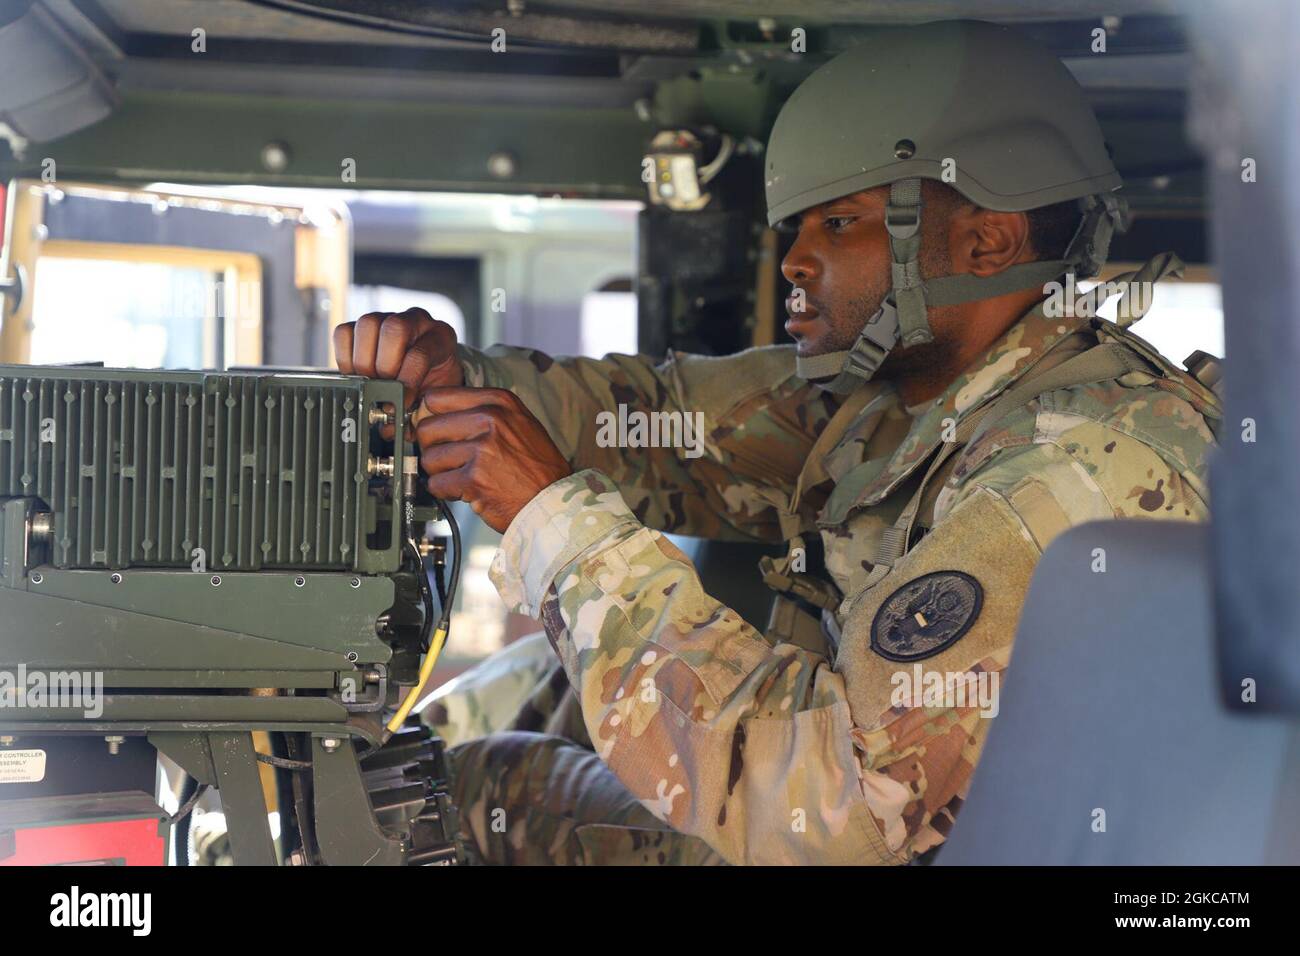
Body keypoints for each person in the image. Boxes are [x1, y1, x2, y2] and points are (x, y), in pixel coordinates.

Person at [334, 20, 1222, 865]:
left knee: (490, 787)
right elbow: (663, 425)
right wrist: (457, 386)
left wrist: (552, 521)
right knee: (554, 684)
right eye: (796, 227)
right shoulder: (908, 397)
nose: (794, 259)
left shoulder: (1072, 477)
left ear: (986, 242)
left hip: (858, 830)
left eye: (838, 223)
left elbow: (833, 803)